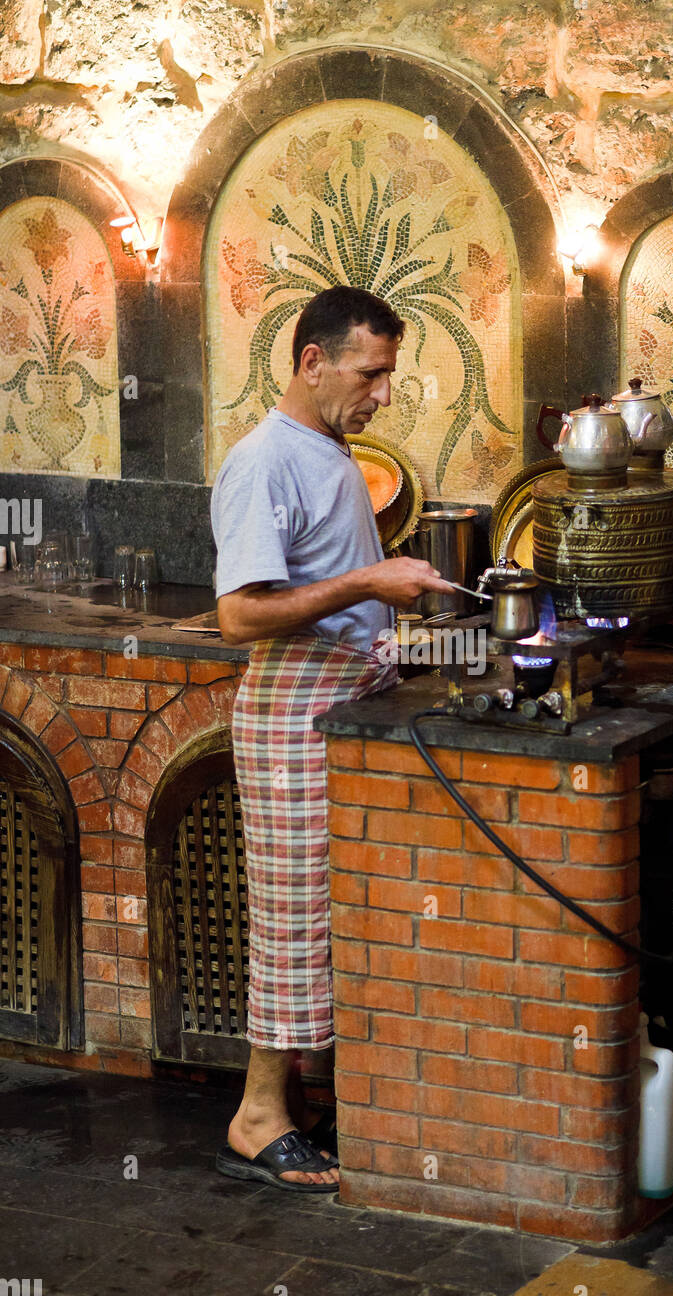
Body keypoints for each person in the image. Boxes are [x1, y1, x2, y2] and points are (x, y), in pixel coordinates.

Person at [210, 286, 452, 1194]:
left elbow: (331, 582)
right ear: (312, 361)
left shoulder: (332, 454)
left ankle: (301, 1102)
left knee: (328, 912)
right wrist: (368, 582)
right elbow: (239, 614)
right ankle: (258, 1115)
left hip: (340, 698)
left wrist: (387, 607)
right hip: (287, 711)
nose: (383, 393)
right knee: (292, 918)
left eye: (388, 373)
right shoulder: (263, 462)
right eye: (371, 372)